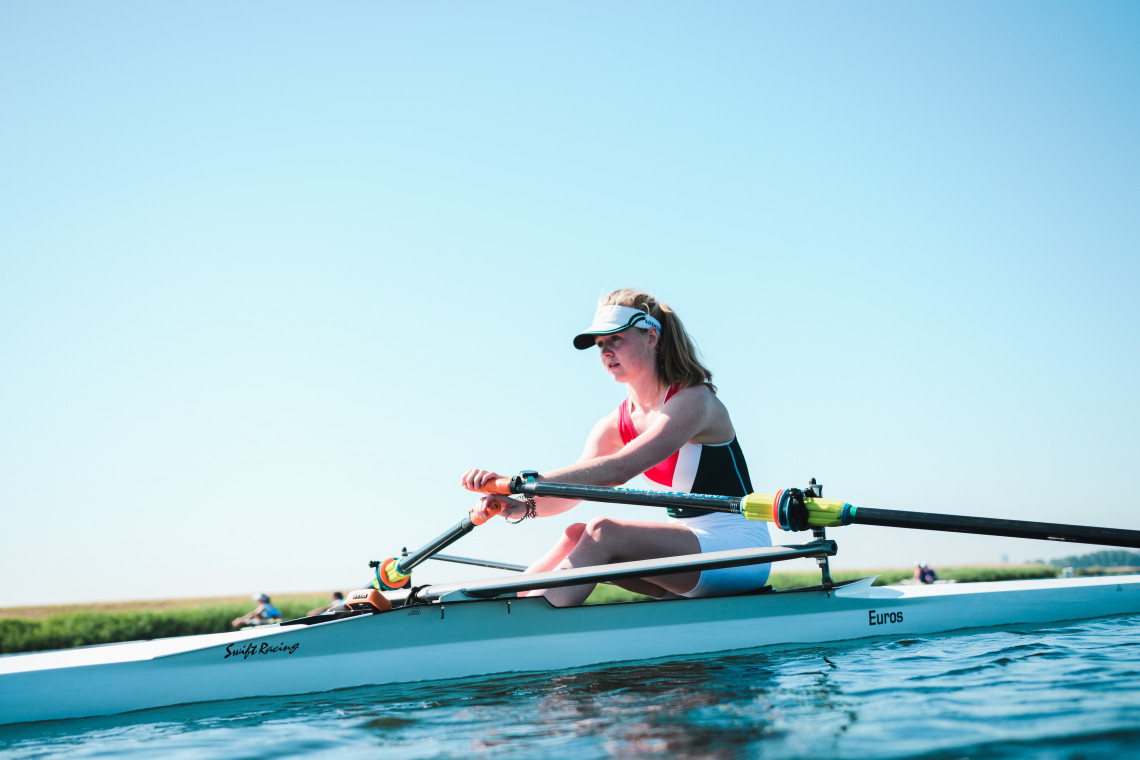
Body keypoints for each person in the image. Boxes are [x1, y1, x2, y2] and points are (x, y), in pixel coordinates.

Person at [463, 288, 771, 607]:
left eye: (616, 340)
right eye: (600, 345)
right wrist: (521, 504)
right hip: (689, 558)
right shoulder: (612, 425)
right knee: (575, 535)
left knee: (603, 532)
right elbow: (574, 492)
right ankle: (506, 605)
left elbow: (619, 469)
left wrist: (522, 482)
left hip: (740, 552)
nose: (606, 352)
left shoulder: (695, 401)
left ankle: (529, 623)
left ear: (651, 337)